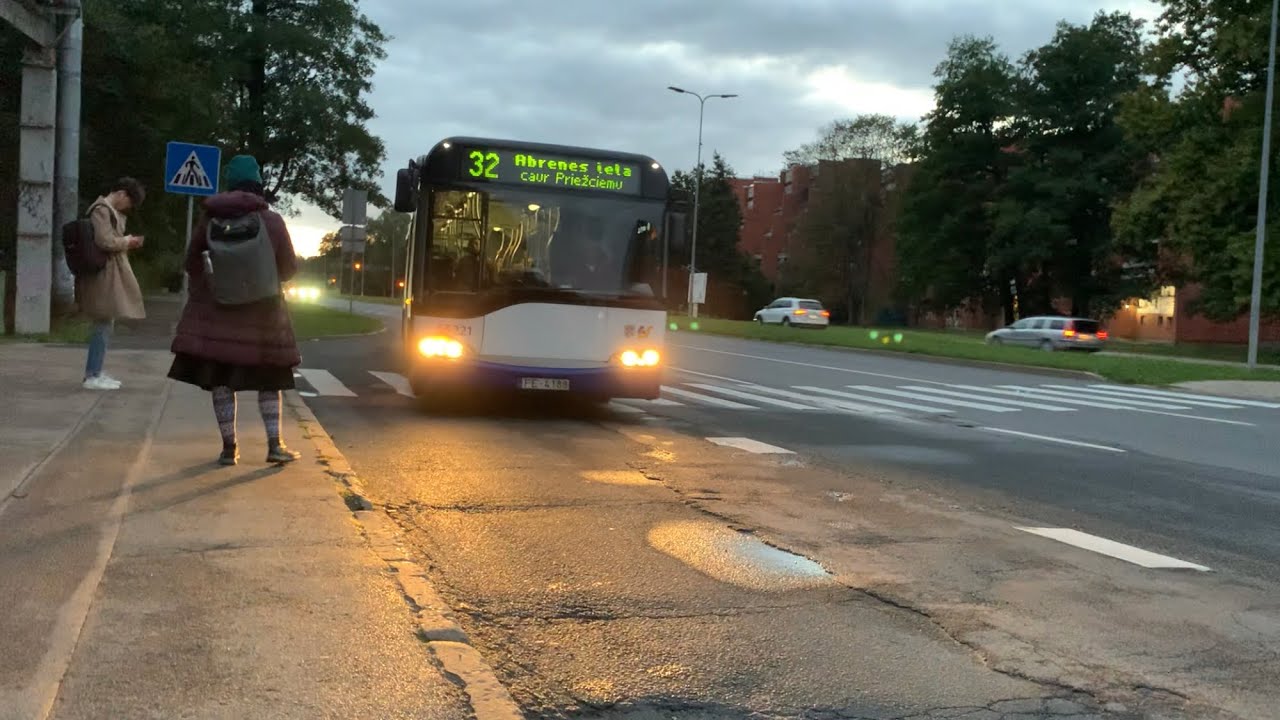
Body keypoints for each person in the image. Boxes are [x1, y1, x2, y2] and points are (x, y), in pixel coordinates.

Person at [167, 155, 302, 466]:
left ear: (229, 184)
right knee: (270, 380)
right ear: (258, 183)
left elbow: (191, 262)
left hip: (219, 315)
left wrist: (210, 287)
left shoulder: (210, 219)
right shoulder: (271, 221)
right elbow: (289, 268)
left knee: (222, 381)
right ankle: (274, 446)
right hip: (265, 315)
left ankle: (229, 449)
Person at [78, 178, 147, 390]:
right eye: (129, 203)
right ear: (122, 194)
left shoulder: (107, 211)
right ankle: (92, 375)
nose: (128, 207)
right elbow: (105, 241)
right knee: (103, 321)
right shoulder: (101, 210)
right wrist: (127, 241)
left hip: (107, 273)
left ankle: (96, 371)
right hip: (103, 274)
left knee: (106, 321)